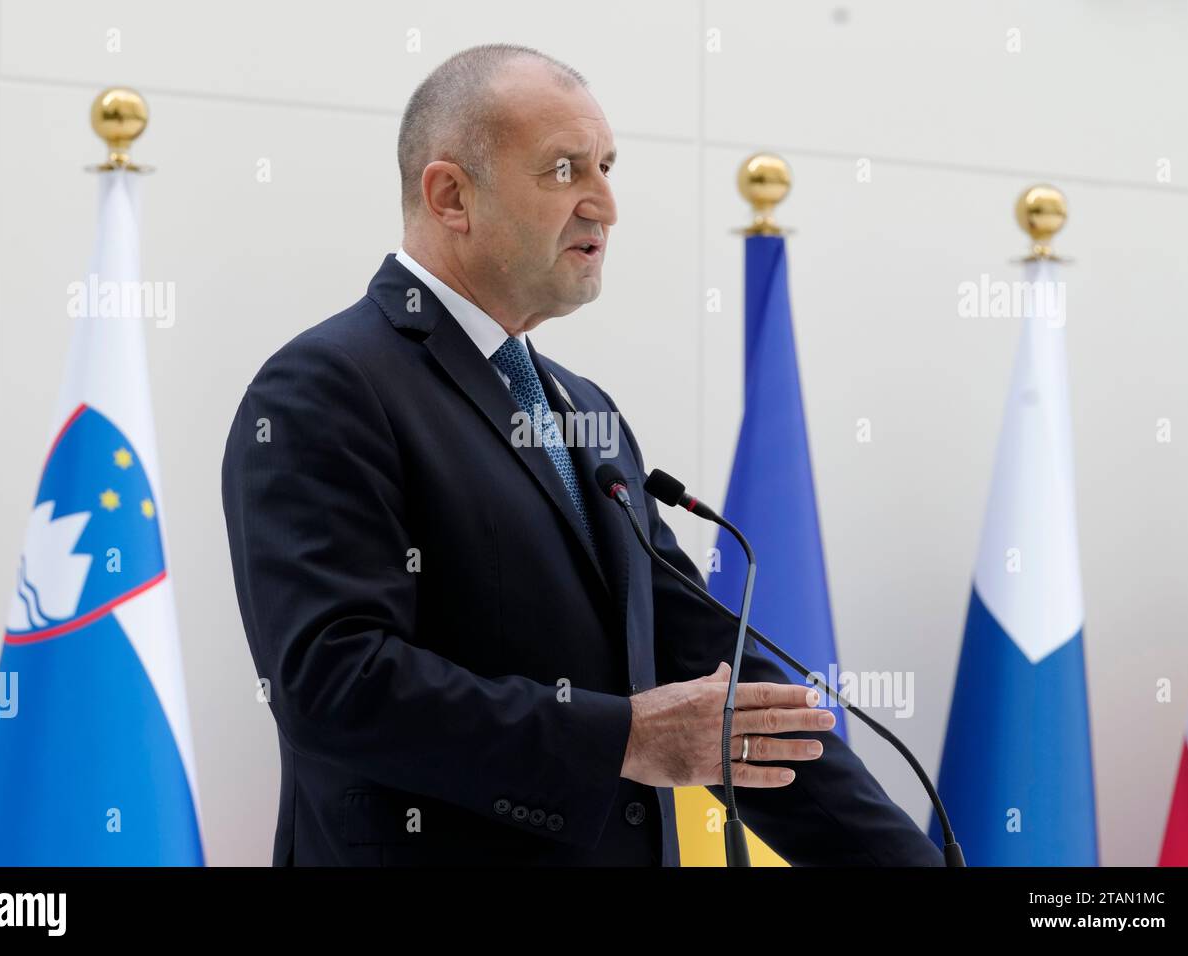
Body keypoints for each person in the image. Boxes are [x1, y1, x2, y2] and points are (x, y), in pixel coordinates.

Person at [220, 42, 943, 866]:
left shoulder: (584, 409)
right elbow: (332, 683)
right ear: (451, 196)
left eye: (606, 166)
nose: (604, 204)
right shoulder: (327, 387)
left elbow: (718, 684)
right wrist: (623, 739)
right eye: (565, 170)